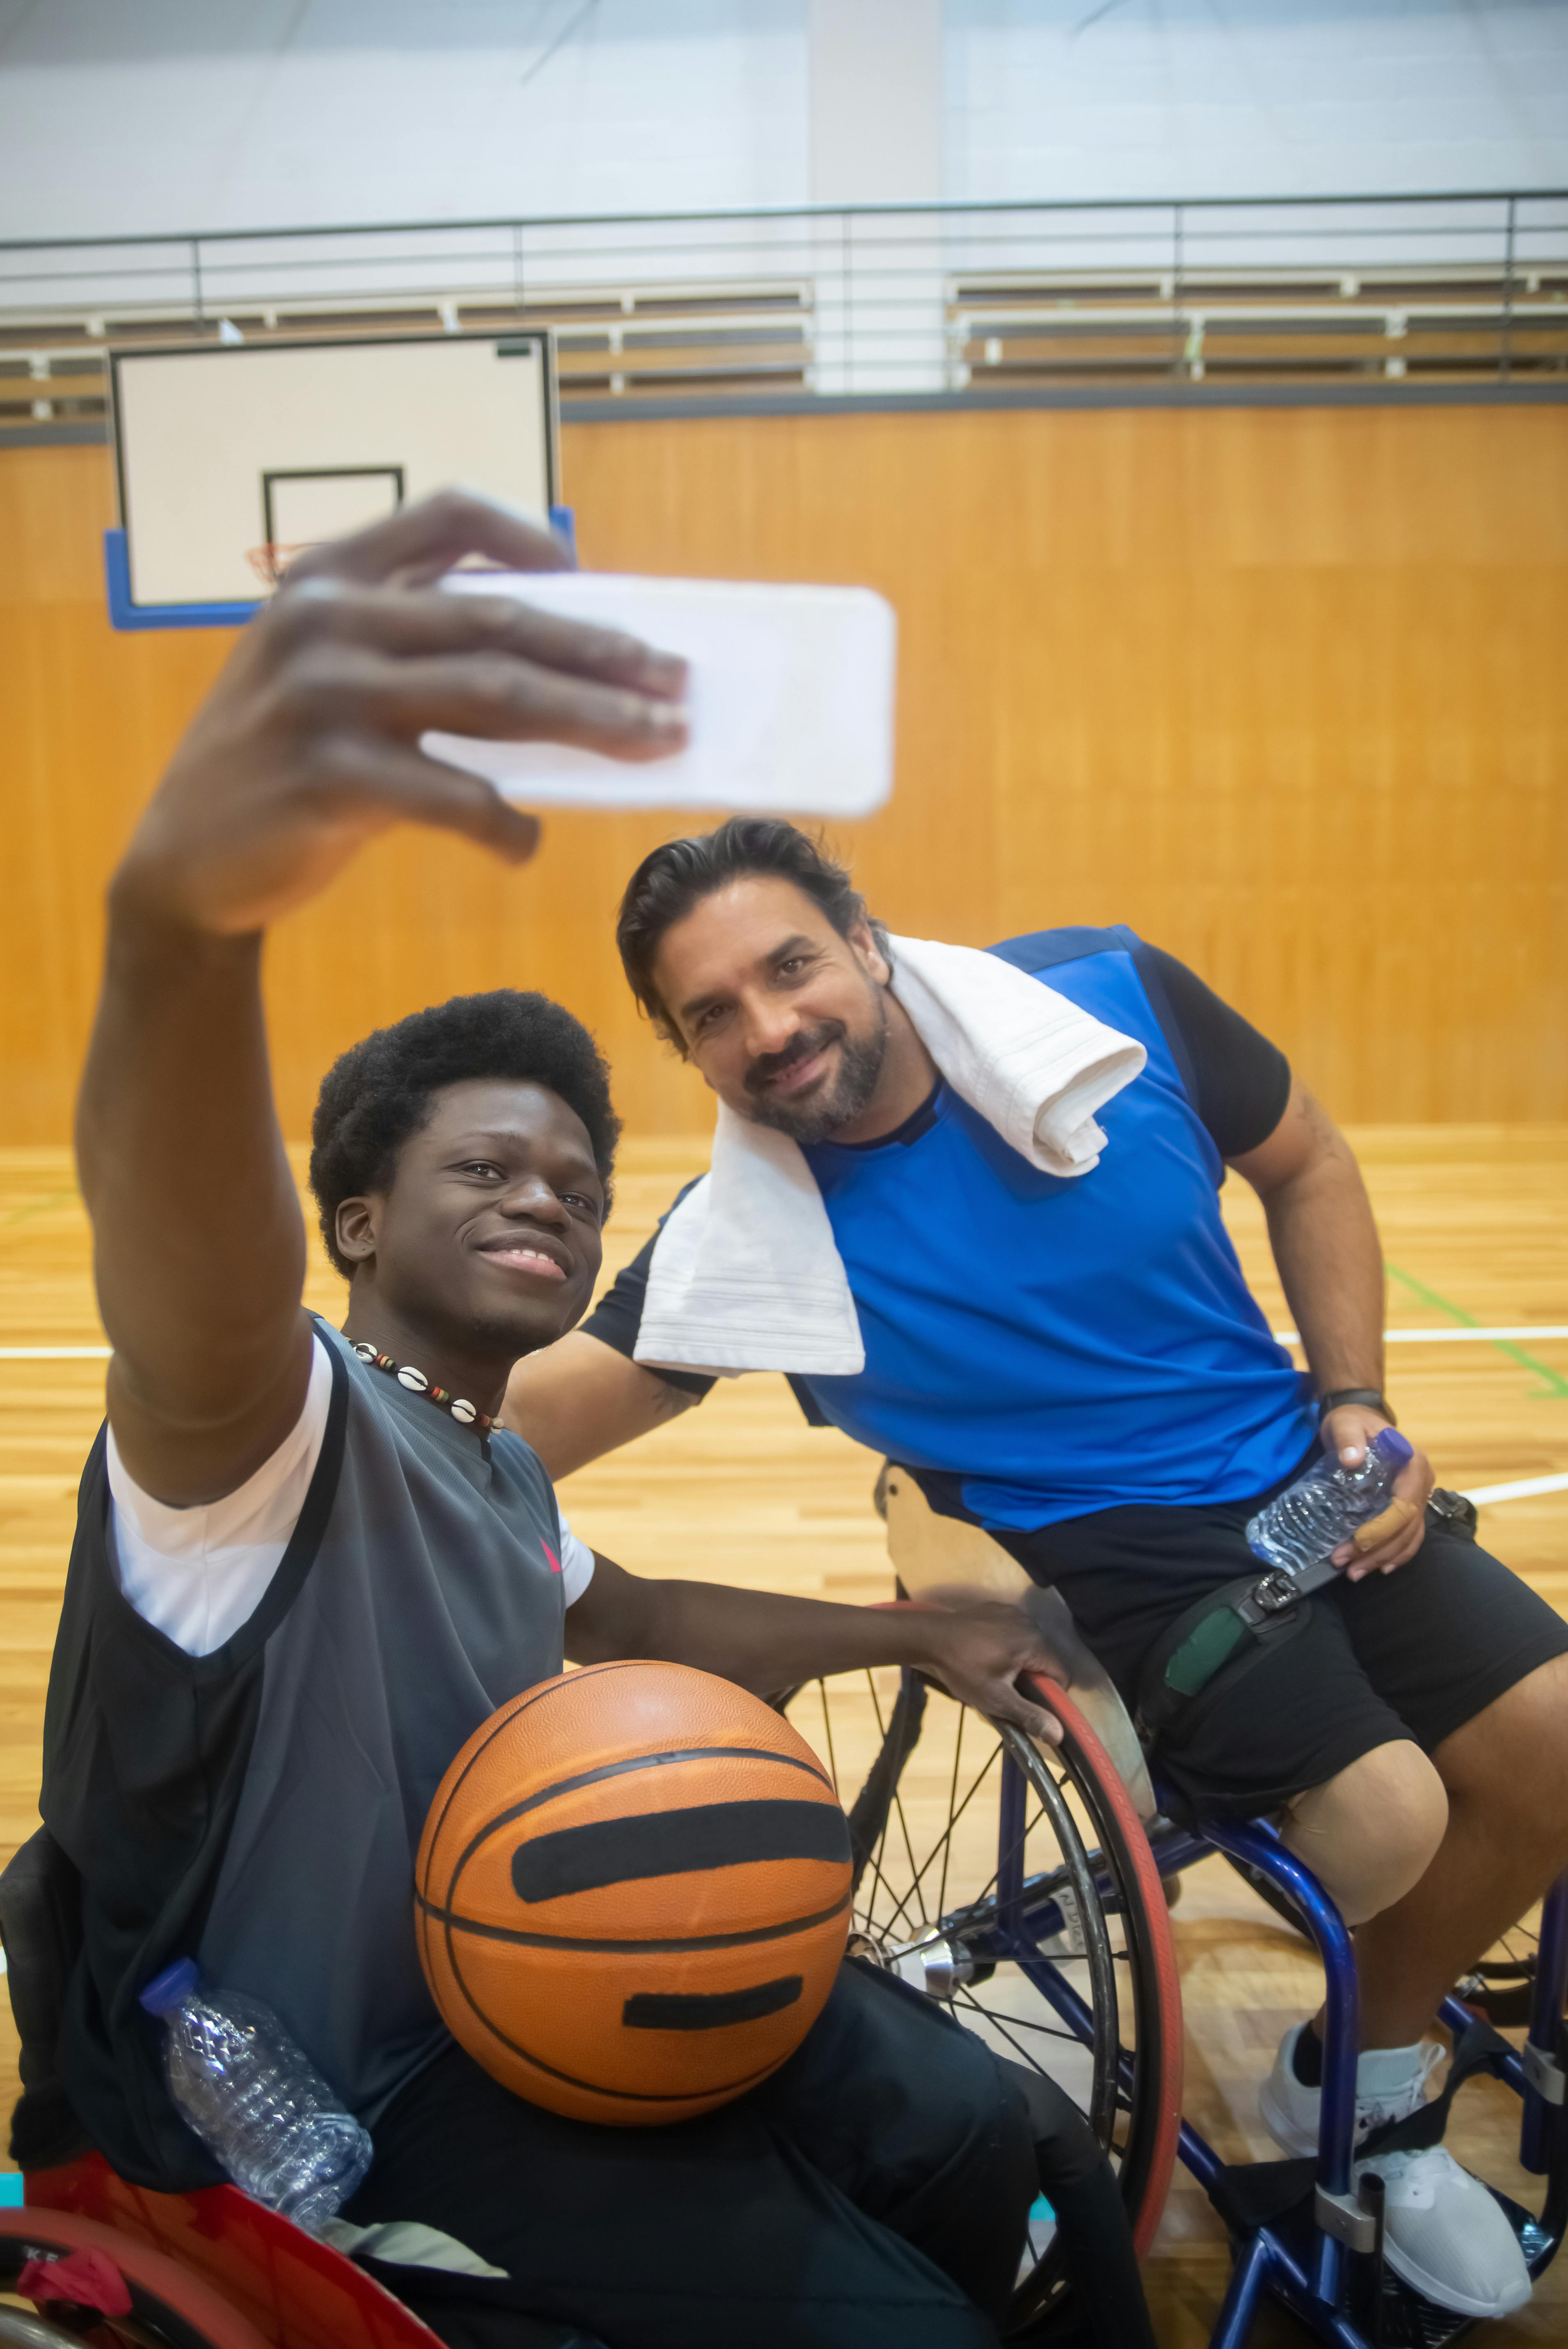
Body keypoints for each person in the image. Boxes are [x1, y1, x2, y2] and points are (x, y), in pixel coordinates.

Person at [28, 497, 1155, 2349]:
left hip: (546, 1974)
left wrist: (911, 1633)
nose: (544, 1197)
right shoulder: (272, 1436)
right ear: (360, 1222)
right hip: (340, 2100)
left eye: (573, 1176)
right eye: (484, 1165)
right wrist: (179, 931)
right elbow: (194, 1305)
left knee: (1012, 2147)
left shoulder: (487, 1462)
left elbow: (623, 1615)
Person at [504, 815, 1568, 2324]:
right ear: (693, 1059)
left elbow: (1310, 1160)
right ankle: (1383, 2117)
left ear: (867, 945)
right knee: (1389, 1815)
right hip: (1093, 1543)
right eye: (713, 1017)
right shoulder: (748, 1244)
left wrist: (1358, 1401)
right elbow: (538, 1422)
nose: (771, 1028)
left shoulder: (1113, 1001)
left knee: (1555, 1737)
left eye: (790, 965)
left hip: (1295, 1461)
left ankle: (1369, 2071)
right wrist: (345, 1403)